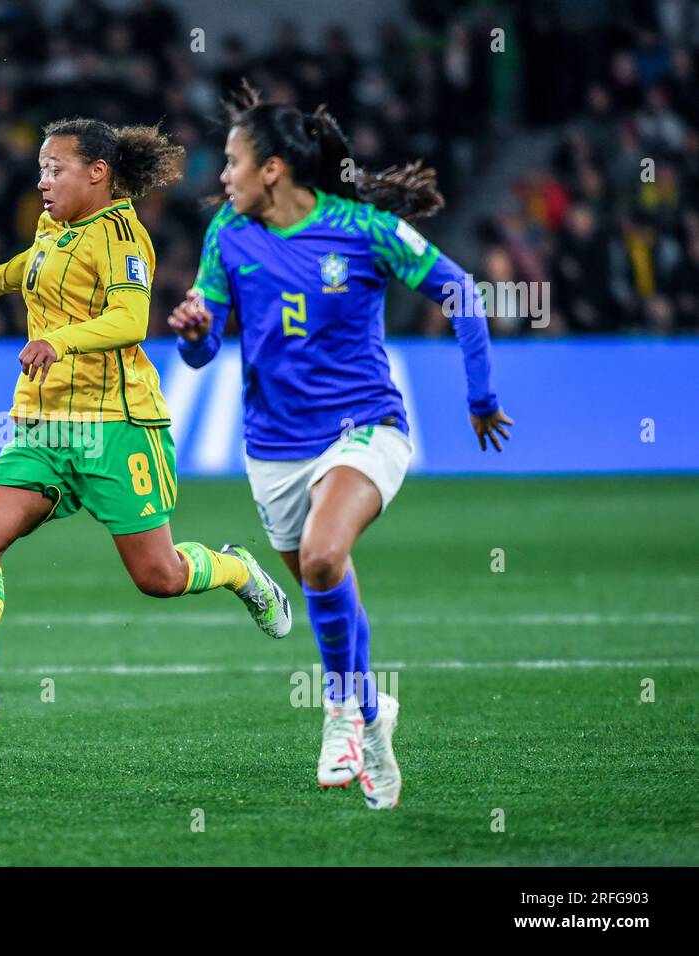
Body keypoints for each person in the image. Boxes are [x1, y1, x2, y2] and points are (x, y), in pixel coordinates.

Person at [168, 88, 513, 810]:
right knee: (327, 580)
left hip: (365, 427)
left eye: (231, 161)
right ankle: (374, 716)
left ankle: (340, 715)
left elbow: (461, 292)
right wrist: (194, 333)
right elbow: (203, 353)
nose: (221, 176)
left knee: (325, 556)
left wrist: (479, 397)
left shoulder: (364, 230)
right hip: (273, 448)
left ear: (272, 169)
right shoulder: (227, 236)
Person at [0, 117, 293, 730]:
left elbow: (132, 319)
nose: (44, 182)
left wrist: (57, 341)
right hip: (44, 427)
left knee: (159, 578)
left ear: (98, 173)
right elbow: (29, 265)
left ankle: (237, 569)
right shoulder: (52, 226)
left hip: (116, 426)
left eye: (56, 170)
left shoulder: (122, 236)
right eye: (40, 171)